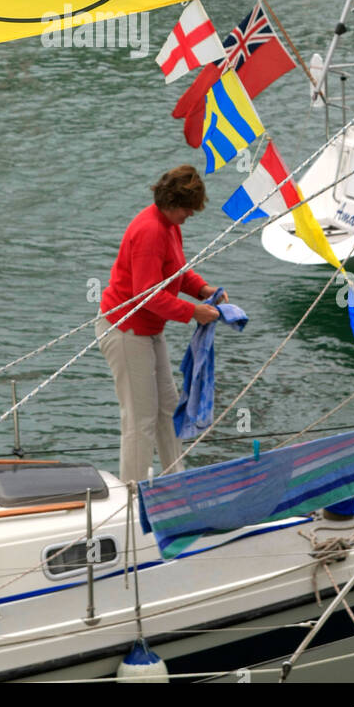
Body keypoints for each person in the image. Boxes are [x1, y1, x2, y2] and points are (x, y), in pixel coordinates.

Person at [96, 165, 225, 483]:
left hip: (149, 330)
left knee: (168, 406)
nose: (190, 215)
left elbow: (176, 272)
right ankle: (132, 494)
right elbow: (146, 295)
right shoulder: (150, 231)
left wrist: (202, 289)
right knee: (140, 419)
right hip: (126, 331)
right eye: (188, 209)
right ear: (172, 202)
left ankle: (174, 479)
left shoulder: (169, 225)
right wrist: (193, 311)